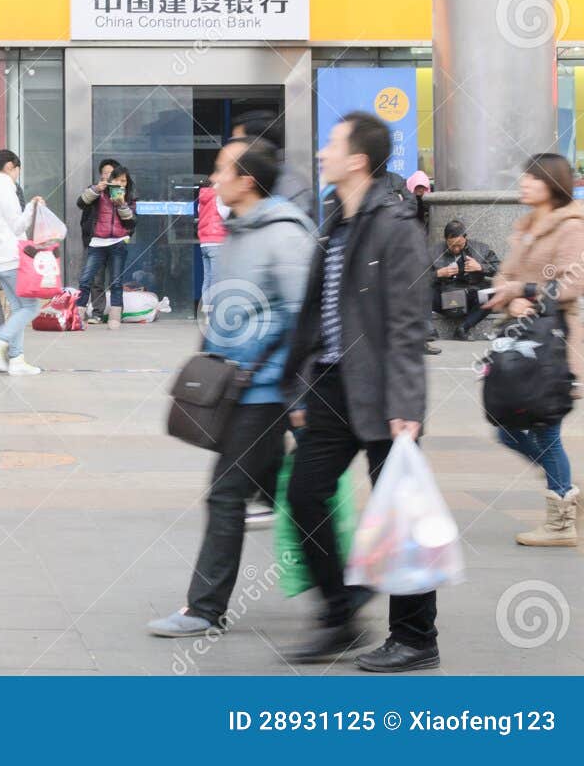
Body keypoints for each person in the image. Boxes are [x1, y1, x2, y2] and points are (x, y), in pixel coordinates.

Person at [285, 111, 437, 672]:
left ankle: (417, 638)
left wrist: (406, 404)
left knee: (399, 511)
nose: (321, 152)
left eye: (331, 144)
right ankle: (341, 613)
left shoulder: (395, 226)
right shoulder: (336, 220)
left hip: (380, 390)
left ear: (357, 160)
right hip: (330, 384)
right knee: (305, 494)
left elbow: (408, 323)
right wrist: (298, 386)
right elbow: (315, 312)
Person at [148, 139, 316, 638]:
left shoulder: (284, 235)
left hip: (266, 391)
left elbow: (304, 319)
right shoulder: (239, 231)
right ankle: (344, 592)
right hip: (239, 386)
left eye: (223, 170)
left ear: (247, 181)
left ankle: (205, 608)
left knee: (226, 495)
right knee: (297, 496)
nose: (214, 178)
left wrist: (297, 393)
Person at [481, 153, 579, 547]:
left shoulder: (570, 225)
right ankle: (564, 489)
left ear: (552, 184)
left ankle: (561, 521)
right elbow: (503, 276)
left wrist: (526, 292)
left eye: (533, 178)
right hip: (521, 344)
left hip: (553, 346)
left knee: (544, 429)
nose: (524, 183)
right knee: (506, 428)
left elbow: (574, 281)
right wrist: (511, 295)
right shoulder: (526, 226)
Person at [0, 149, 47, 376]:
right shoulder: (5, 190)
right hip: (13, 258)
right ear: (9, 168)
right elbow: (17, 226)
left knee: (18, 308)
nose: (17, 177)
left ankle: (16, 359)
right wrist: (32, 207)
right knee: (31, 307)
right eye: (17, 171)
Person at [75, 162, 137, 327]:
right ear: (110, 180)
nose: (120, 184)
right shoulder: (98, 193)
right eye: (117, 180)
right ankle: (78, 315)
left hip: (118, 243)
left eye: (123, 181)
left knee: (116, 281)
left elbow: (131, 222)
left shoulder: (129, 198)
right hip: (97, 243)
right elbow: (81, 203)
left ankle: (115, 317)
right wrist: (97, 189)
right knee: (86, 279)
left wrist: (121, 204)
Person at [231, 109, 315, 219]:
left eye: (237, 142)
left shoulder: (290, 189)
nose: (231, 148)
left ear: (258, 145)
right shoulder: (251, 182)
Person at [432, 220, 499, 340]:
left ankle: (463, 328)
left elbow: (501, 270)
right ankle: (428, 329)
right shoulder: (434, 251)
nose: (456, 249)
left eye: (460, 245)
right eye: (452, 245)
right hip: (442, 295)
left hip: (470, 295)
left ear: (465, 238)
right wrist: (438, 273)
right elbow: (416, 276)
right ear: (446, 239)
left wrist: (480, 267)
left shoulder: (481, 249)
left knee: (495, 292)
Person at [196, 180, 227, 315]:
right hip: (217, 242)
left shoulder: (202, 200)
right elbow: (225, 214)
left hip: (204, 243)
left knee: (208, 278)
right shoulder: (219, 196)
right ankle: (215, 311)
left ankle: (207, 310)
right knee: (216, 279)